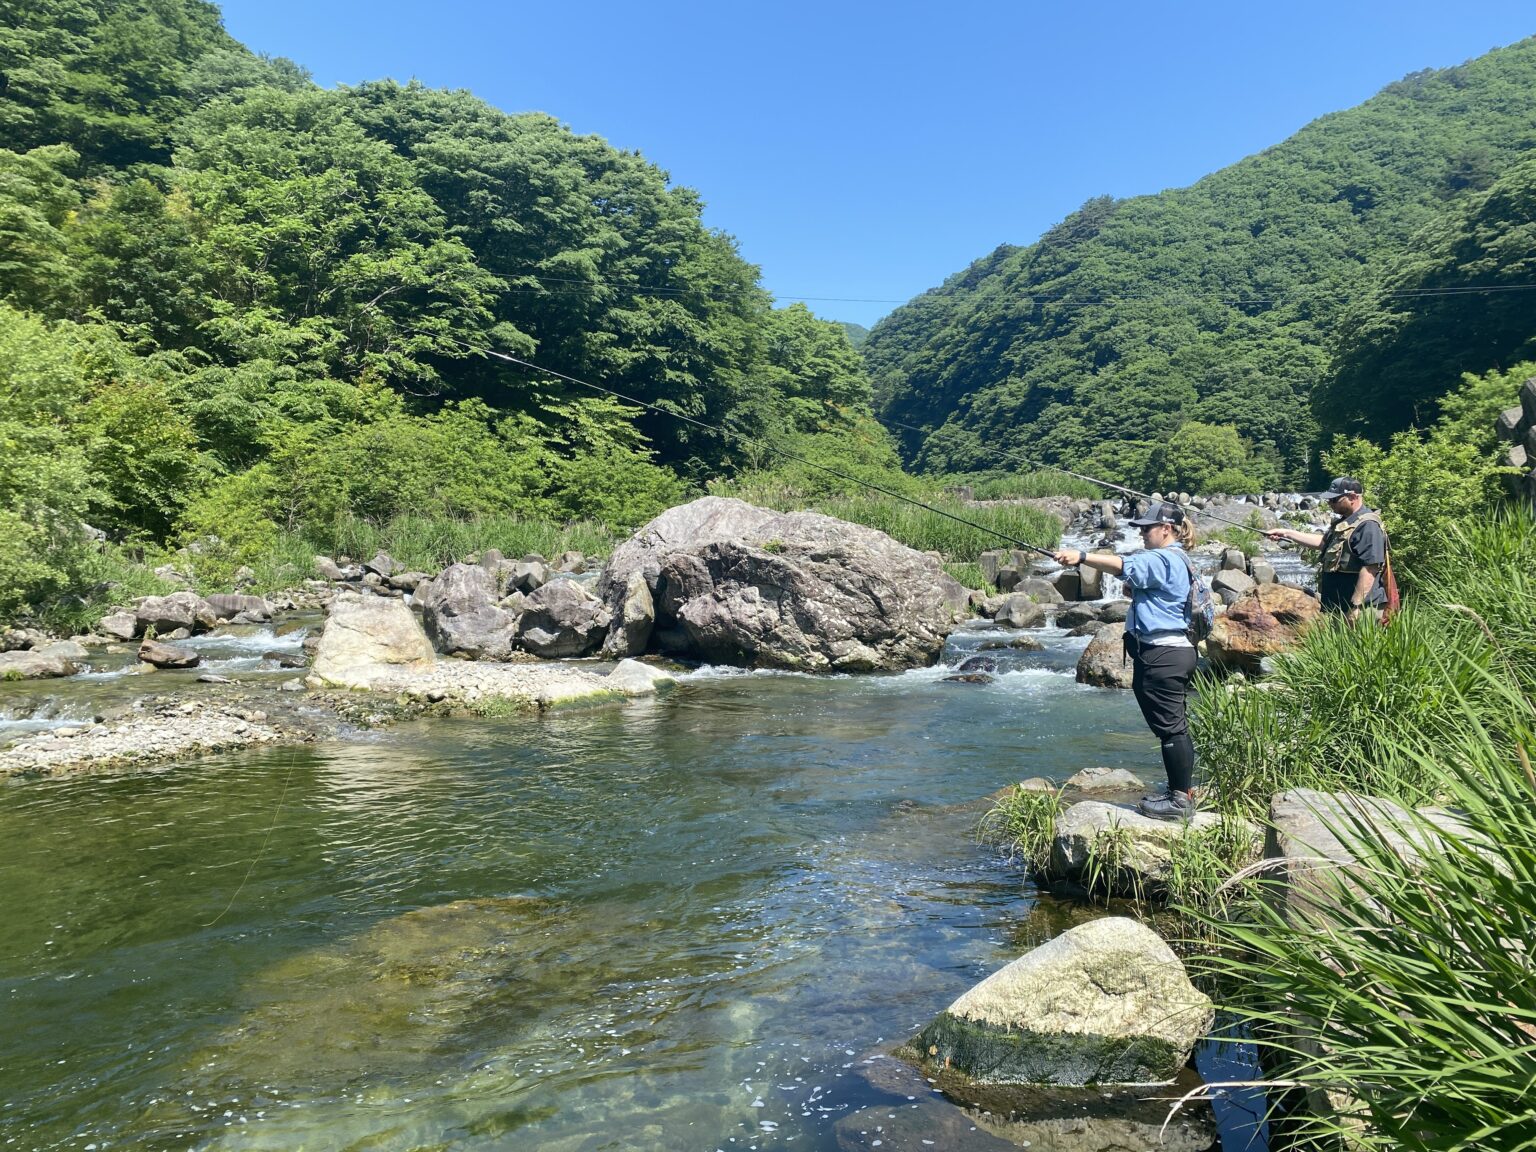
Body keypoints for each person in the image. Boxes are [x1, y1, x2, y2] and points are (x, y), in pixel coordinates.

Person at [1053, 500, 1199, 821]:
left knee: (1171, 729)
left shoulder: (1161, 558)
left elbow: (1123, 565)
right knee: (1174, 726)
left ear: (1167, 529)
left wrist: (1081, 556)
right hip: (1175, 651)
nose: (1143, 533)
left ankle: (1179, 801)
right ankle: (1181, 791)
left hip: (1163, 654)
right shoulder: (1179, 560)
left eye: (1147, 528)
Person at [1263, 476, 1388, 620]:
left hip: (1361, 610)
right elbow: (1323, 543)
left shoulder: (1368, 526)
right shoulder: (1346, 522)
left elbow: (1370, 568)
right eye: (1328, 499)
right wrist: (1286, 532)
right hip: (1340, 607)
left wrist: (1356, 607)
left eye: (1334, 499)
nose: (1329, 503)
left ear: (1353, 497)